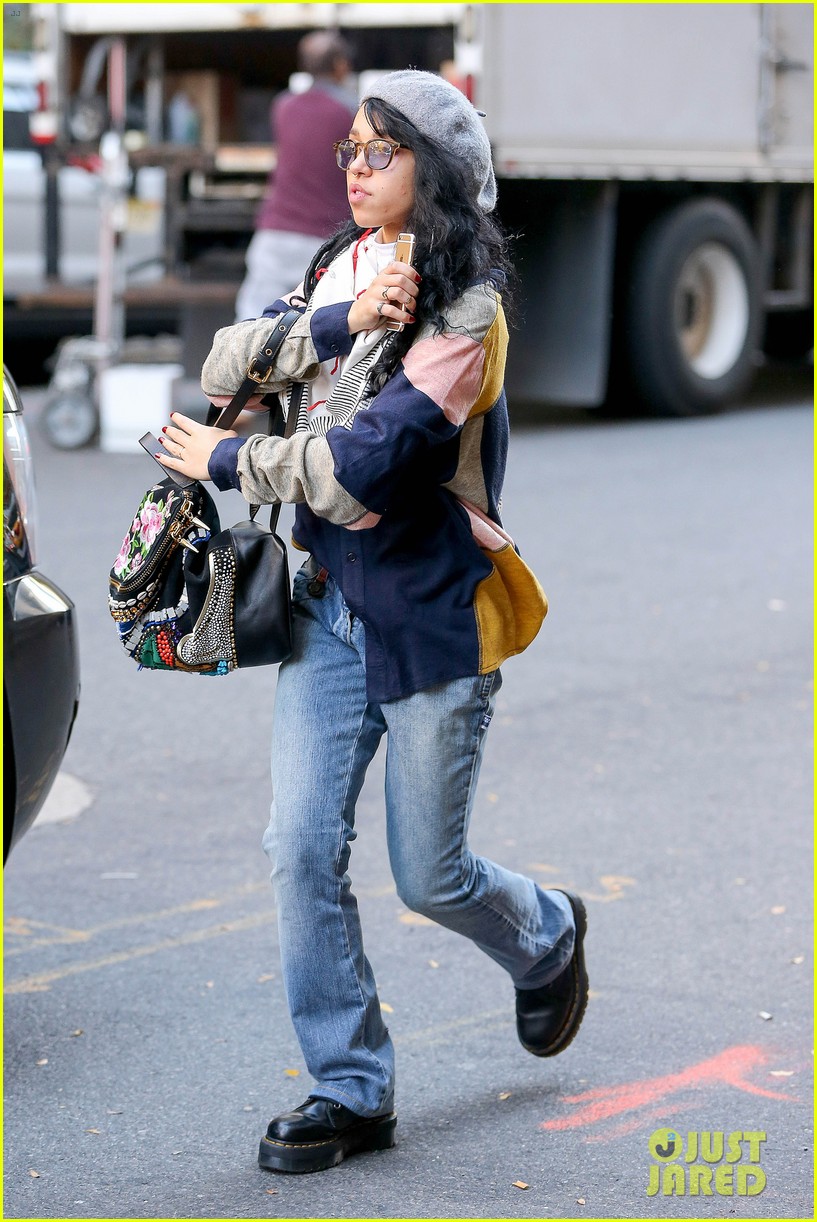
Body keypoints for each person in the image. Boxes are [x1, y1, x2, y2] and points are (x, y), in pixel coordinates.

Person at [157, 69, 589, 1176]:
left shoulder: (467, 313)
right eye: (348, 149)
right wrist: (340, 315)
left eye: (377, 153)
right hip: (324, 610)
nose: (352, 170)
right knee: (296, 847)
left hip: (429, 610)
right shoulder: (334, 268)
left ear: (432, 174)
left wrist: (227, 460)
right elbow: (222, 361)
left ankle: (544, 933)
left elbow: (358, 470)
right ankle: (350, 1087)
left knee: (427, 875)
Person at [234, 31, 357, 322]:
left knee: (252, 324)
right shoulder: (351, 112)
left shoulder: (283, 106)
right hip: (325, 239)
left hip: (275, 233)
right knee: (321, 330)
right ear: (340, 65)